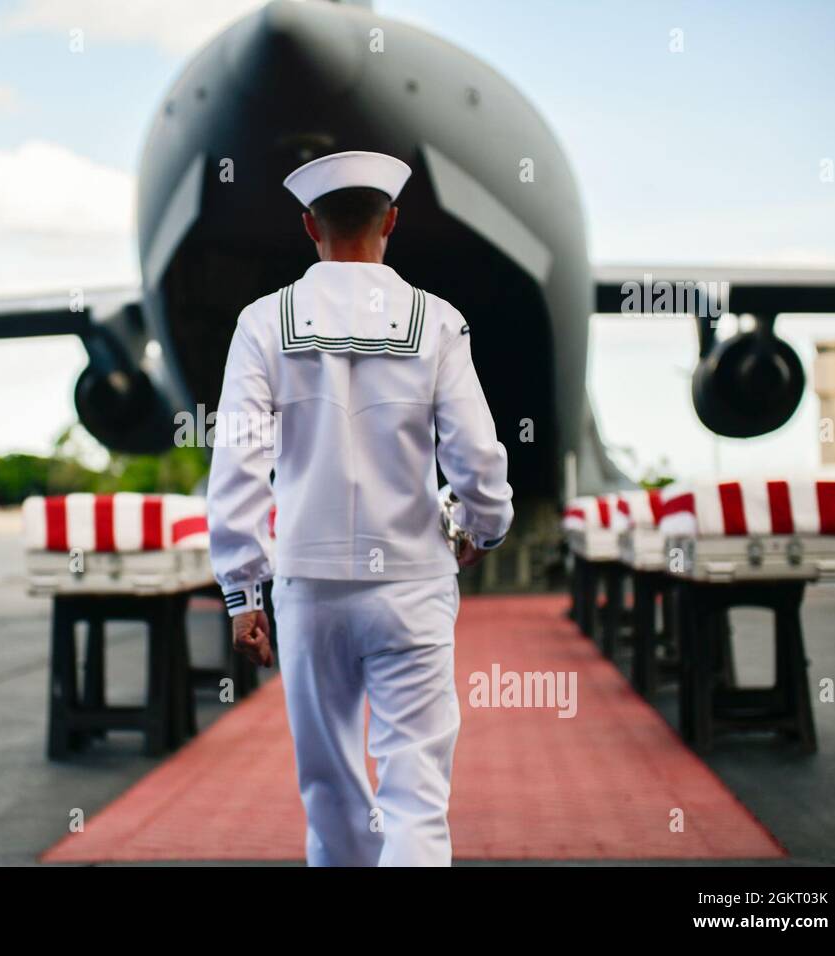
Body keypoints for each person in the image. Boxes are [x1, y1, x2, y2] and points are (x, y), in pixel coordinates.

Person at [206, 151, 514, 867]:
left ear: (310, 225)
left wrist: (240, 590)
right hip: (412, 582)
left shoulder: (262, 323)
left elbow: (241, 462)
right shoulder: (436, 321)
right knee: (416, 794)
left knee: (332, 792)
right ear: (393, 222)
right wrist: (481, 526)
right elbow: (476, 452)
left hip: (309, 588)